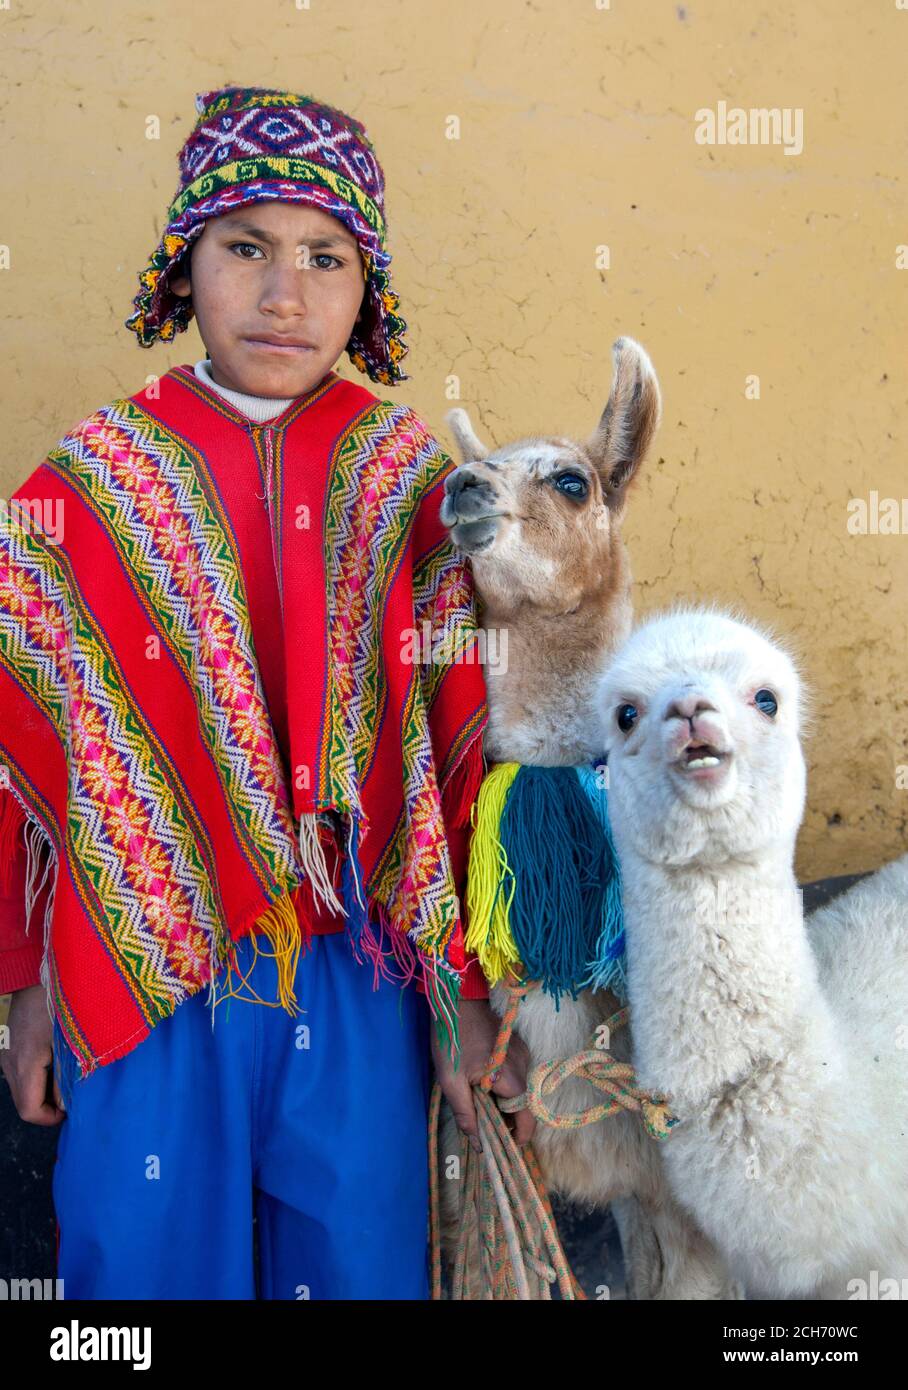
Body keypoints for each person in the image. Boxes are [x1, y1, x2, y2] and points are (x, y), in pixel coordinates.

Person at [0, 84, 532, 1300]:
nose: (284, 295)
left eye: (324, 258)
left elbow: (458, 749)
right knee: (135, 1272)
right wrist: (25, 985)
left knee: (357, 1256)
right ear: (183, 265)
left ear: (368, 287)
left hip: (363, 958)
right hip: (140, 961)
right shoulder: (88, 488)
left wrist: (461, 993)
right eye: (245, 248)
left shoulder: (414, 487)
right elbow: (22, 764)